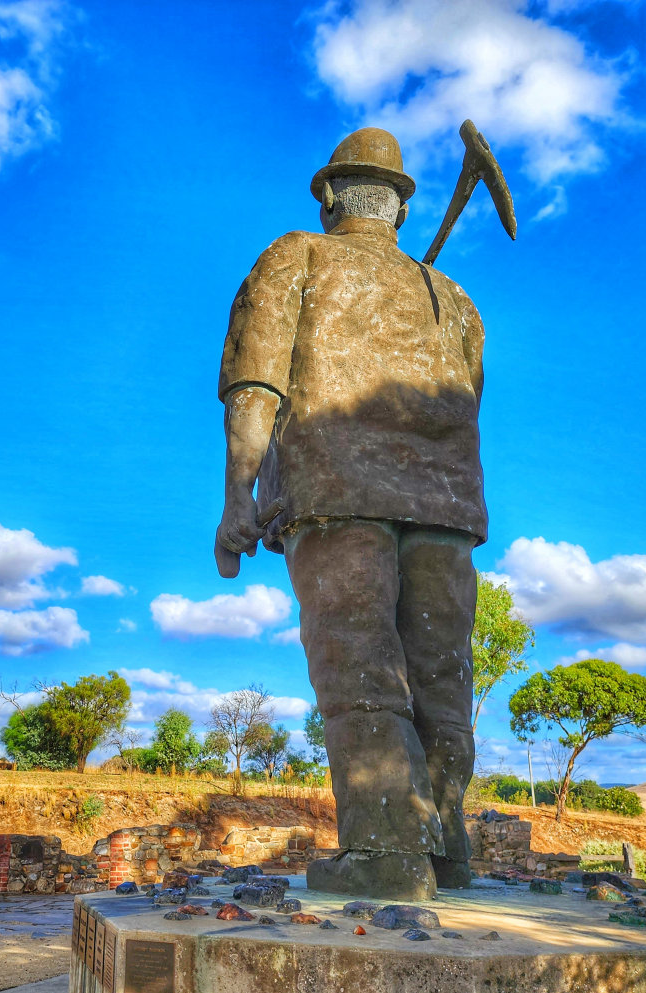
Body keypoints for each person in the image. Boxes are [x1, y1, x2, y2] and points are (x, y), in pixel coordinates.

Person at [215, 128, 486, 900]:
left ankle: (386, 851)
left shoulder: (296, 256)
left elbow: (256, 383)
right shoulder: (456, 301)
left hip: (337, 493)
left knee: (360, 667)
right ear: (399, 207)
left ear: (331, 195)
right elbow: (467, 408)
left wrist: (240, 493)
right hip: (448, 506)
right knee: (441, 679)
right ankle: (444, 849)